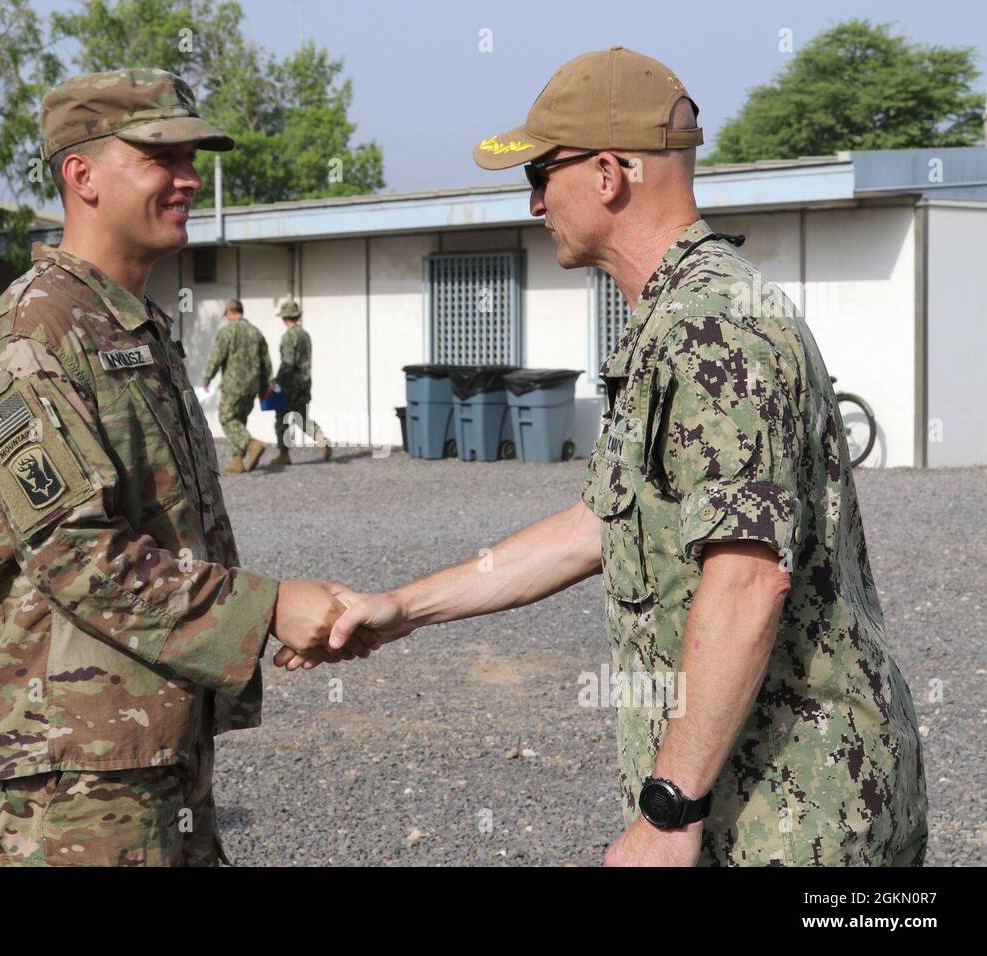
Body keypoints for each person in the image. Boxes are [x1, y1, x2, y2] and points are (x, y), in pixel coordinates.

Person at [310, 47, 928, 867]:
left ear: (607, 174)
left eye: (541, 171)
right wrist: (403, 607)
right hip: (757, 795)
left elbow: (748, 576)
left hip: (793, 809)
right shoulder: (671, 318)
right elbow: (600, 524)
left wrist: (671, 811)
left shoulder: (711, 325)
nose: (533, 201)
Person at [0, 69, 373, 867]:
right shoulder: (32, 340)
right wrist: (266, 610)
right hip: (73, 775)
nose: (189, 179)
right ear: (83, 176)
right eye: (160, 158)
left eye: (191, 158)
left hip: (149, 743)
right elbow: (79, 555)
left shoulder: (129, 326)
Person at [202, 299, 269, 473]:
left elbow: (217, 357)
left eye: (226, 314)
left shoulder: (227, 331)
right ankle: (238, 461)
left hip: (233, 385)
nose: (227, 318)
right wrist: (263, 388)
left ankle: (251, 445)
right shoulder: (256, 333)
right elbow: (266, 364)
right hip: (252, 386)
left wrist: (207, 378)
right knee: (240, 421)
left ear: (231, 311)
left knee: (227, 418)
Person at [269, 298, 331, 465]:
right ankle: (321, 439)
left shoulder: (288, 337)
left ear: (284, 318)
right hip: (304, 384)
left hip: (289, 385)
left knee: (282, 418)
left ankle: (284, 454)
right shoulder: (305, 335)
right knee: (301, 418)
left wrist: (276, 381)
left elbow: (287, 363)